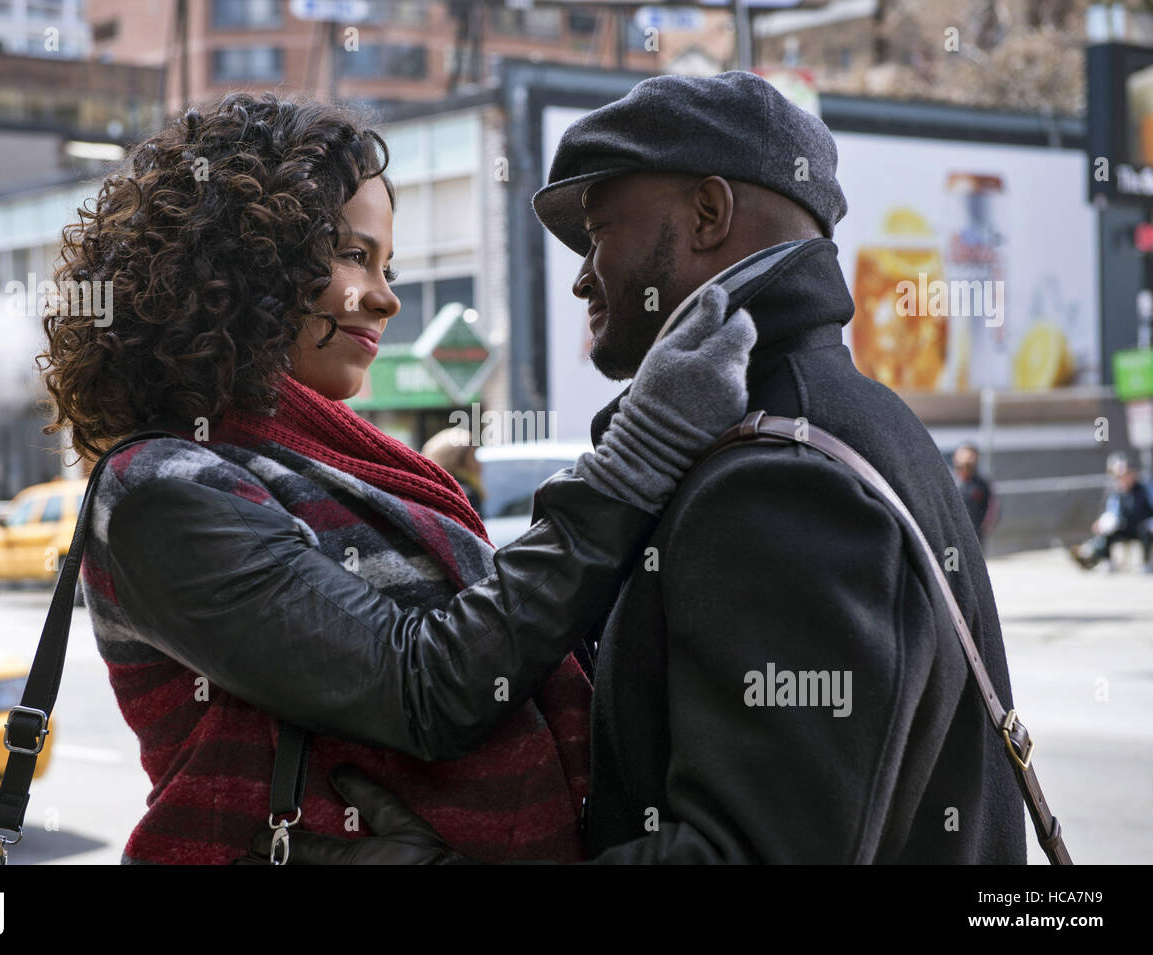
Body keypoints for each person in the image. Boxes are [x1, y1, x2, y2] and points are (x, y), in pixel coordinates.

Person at [289, 71, 1030, 864]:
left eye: (600, 231)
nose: (580, 275)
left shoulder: (779, 477)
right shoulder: (844, 420)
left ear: (709, 213)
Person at [37, 91, 757, 863]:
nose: (386, 297)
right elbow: (428, 684)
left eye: (387, 263)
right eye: (353, 255)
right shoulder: (162, 490)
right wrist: (641, 451)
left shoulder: (347, 461)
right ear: (242, 261)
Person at [1070, 453, 1153, 572]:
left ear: (1132, 474)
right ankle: (1099, 557)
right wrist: (1102, 522)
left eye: (1125, 474)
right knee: (1106, 530)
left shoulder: (1144, 488)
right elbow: (1112, 512)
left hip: (1143, 527)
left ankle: (1146, 563)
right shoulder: (1116, 492)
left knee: (1145, 530)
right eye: (1119, 476)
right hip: (1125, 527)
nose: (1122, 478)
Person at [421, 426, 484, 516]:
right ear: (457, 461)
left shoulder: (434, 490)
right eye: (473, 456)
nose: (479, 463)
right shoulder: (465, 494)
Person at [953, 442, 997, 546]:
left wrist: (984, 527)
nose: (966, 460)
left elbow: (993, 506)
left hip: (975, 535)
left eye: (970, 457)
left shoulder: (982, 482)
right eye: (963, 456)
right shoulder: (950, 481)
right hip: (953, 535)